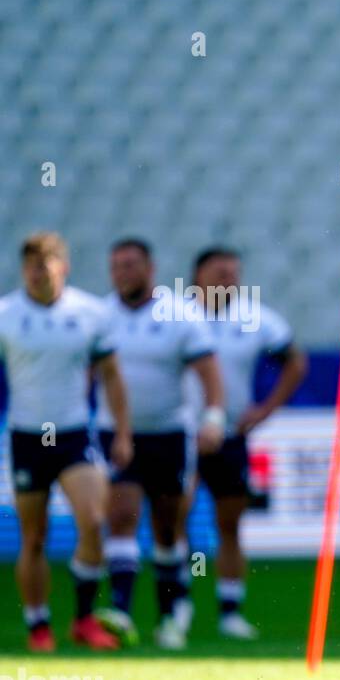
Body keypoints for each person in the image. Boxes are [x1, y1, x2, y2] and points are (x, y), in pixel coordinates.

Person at [0, 232, 132, 651]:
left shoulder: (90, 313)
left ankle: (82, 618)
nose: (39, 272)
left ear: (64, 266)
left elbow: (111, 374)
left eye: (47, 263)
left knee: (94, 521)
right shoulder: (5, 314)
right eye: (32, 265)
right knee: (33, 537)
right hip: (27, 436)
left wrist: (123, 432)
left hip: (75, 435)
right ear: (24, 270)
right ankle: (39, 624)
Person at [94, 239, 225, 650]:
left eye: (130, 265)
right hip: (117, 433)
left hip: (169, 433)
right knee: (122, 513)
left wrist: (214, 418)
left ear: (150, 268)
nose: (121, 273)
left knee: (168, 527)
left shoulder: (180, 314)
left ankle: (170, 615)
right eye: (115, 266)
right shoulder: (100, 316)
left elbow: (209, 373)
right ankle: (120, 610)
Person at [191, 247, 307, 639]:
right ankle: (174, 610)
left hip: (230, 436)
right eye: (218, 271)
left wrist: (265, 409)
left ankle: (229, 612)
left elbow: (295, 361)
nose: (227, 278)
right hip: (182, 434)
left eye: (233, 272)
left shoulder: (256, 318)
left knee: (230, 524)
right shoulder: (175, 314)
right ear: (197, 276)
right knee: (172, 522)